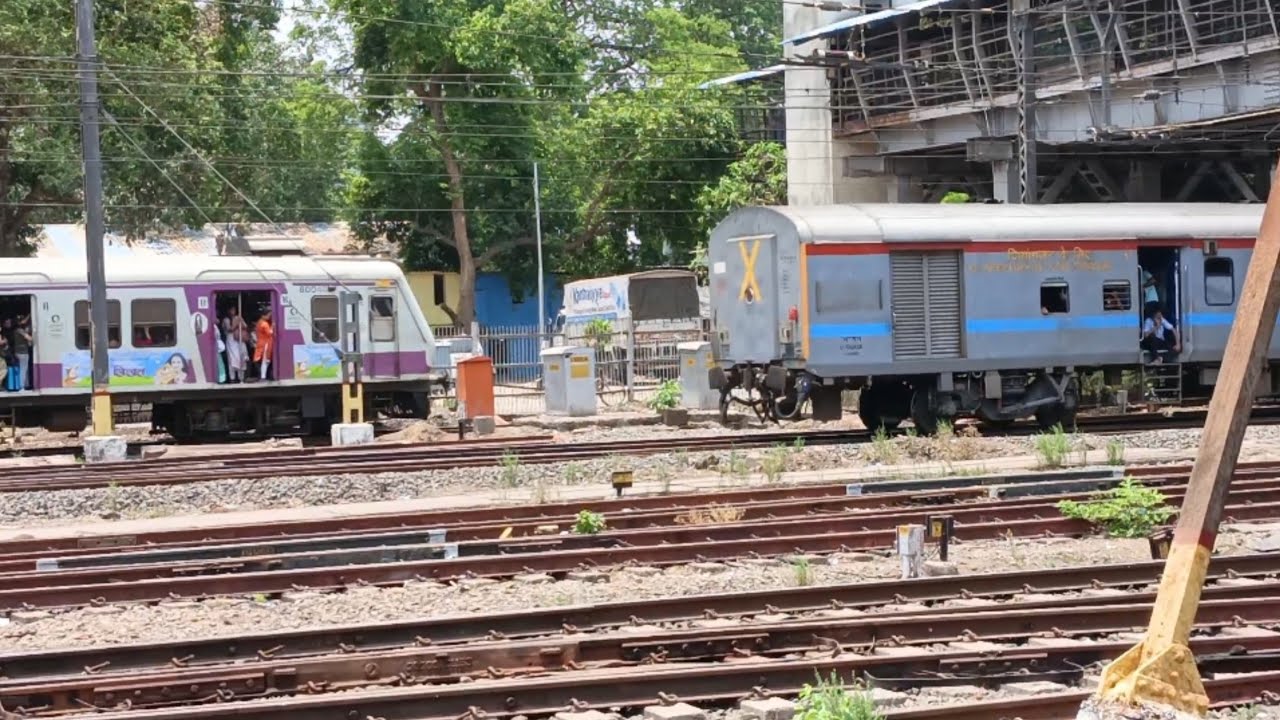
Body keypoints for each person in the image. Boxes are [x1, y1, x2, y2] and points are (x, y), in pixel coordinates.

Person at [223, 307, 248, 383]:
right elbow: (229, 329)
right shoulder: (226, 320)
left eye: (234, 310)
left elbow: (245, 326)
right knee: (232, 359)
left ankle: (241, 377)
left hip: (238, 340)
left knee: (241, 358)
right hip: (231, 340)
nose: (233, 311)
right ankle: (232, 378)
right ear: (228, 311)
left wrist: (241, 321)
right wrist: (236, 323)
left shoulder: (238, 317)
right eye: (231, 309)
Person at [253, 308, 273, 381]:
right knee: (265, 361)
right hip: (265, 344)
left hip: (260, 342)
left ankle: (261, 376)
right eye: (268, 315)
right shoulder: (264, 324)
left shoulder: (259, 322)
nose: (269, 317)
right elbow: (270, 333)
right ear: (263, 315)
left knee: (260, 360)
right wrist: (272, 327)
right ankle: (263, 377)